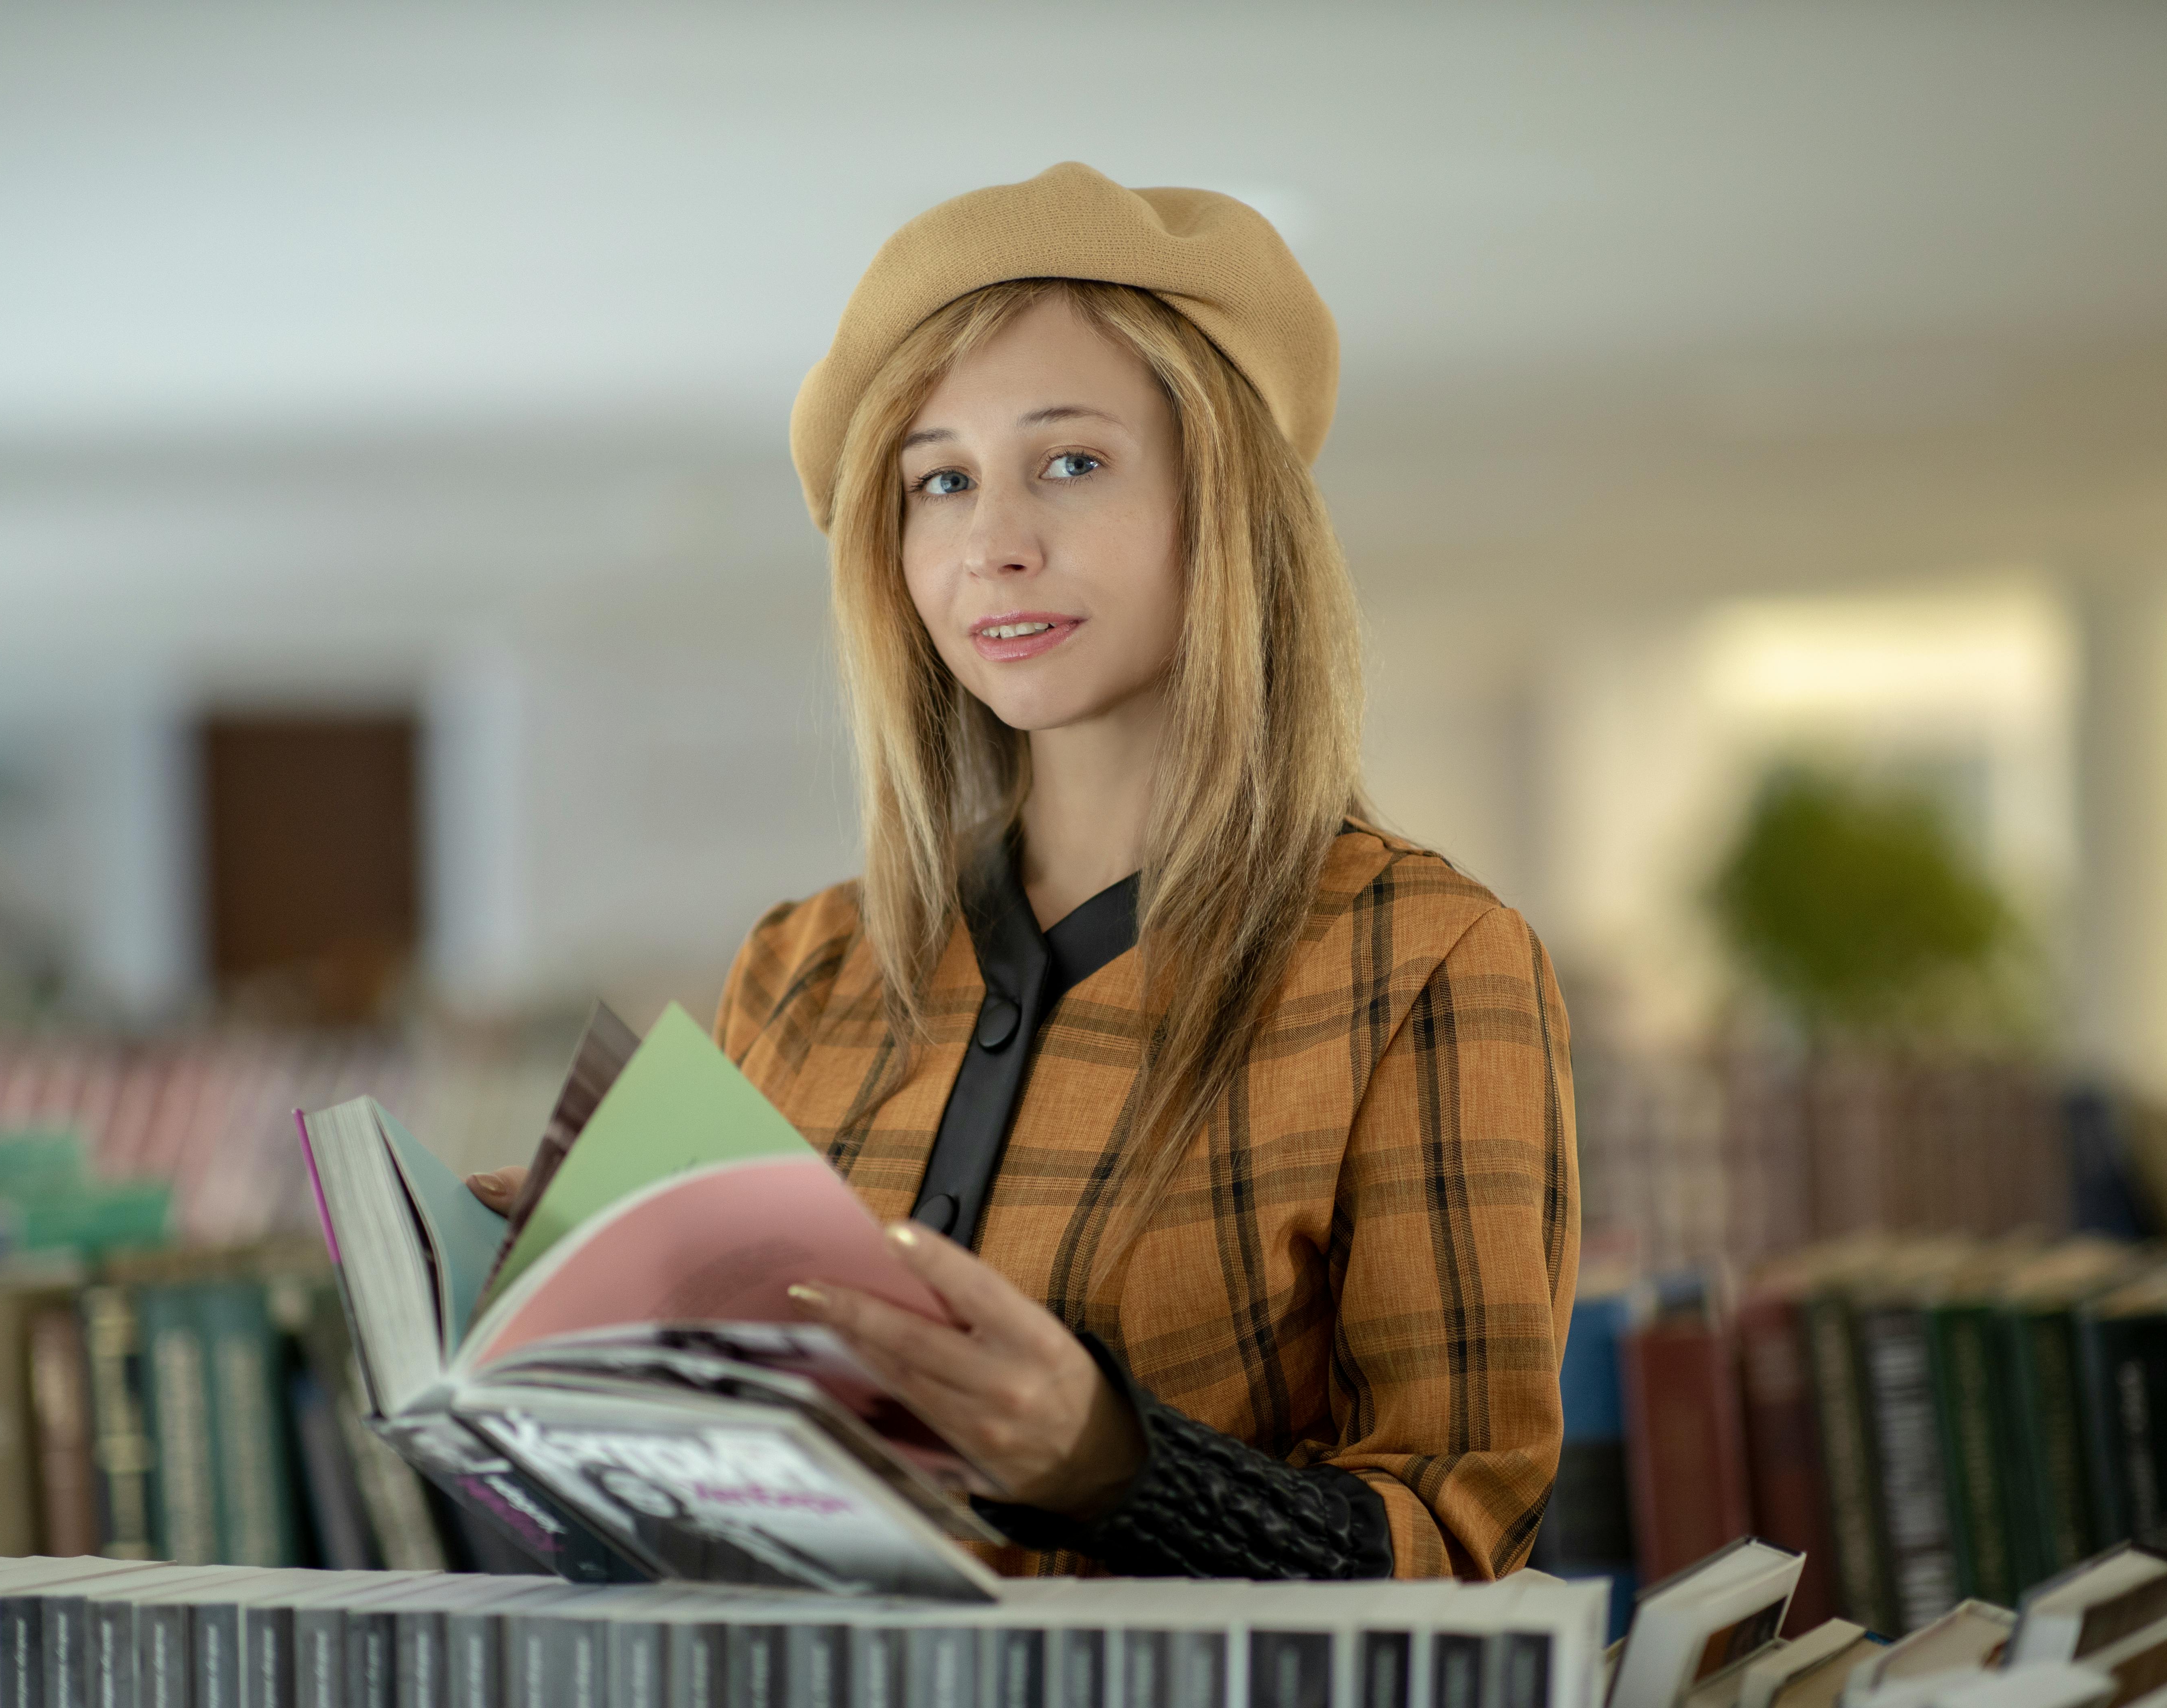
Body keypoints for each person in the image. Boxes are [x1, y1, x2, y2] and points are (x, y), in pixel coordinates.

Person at [471, 163, 1578, 1581]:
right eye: (941, 482)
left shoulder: (1423, 962)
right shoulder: (803, 964)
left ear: (1223, 505)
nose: (993, 546)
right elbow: (730, 1513)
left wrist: (1108, 1465)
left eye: (1070, 462)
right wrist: (597, 1329)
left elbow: (1461, 1542)